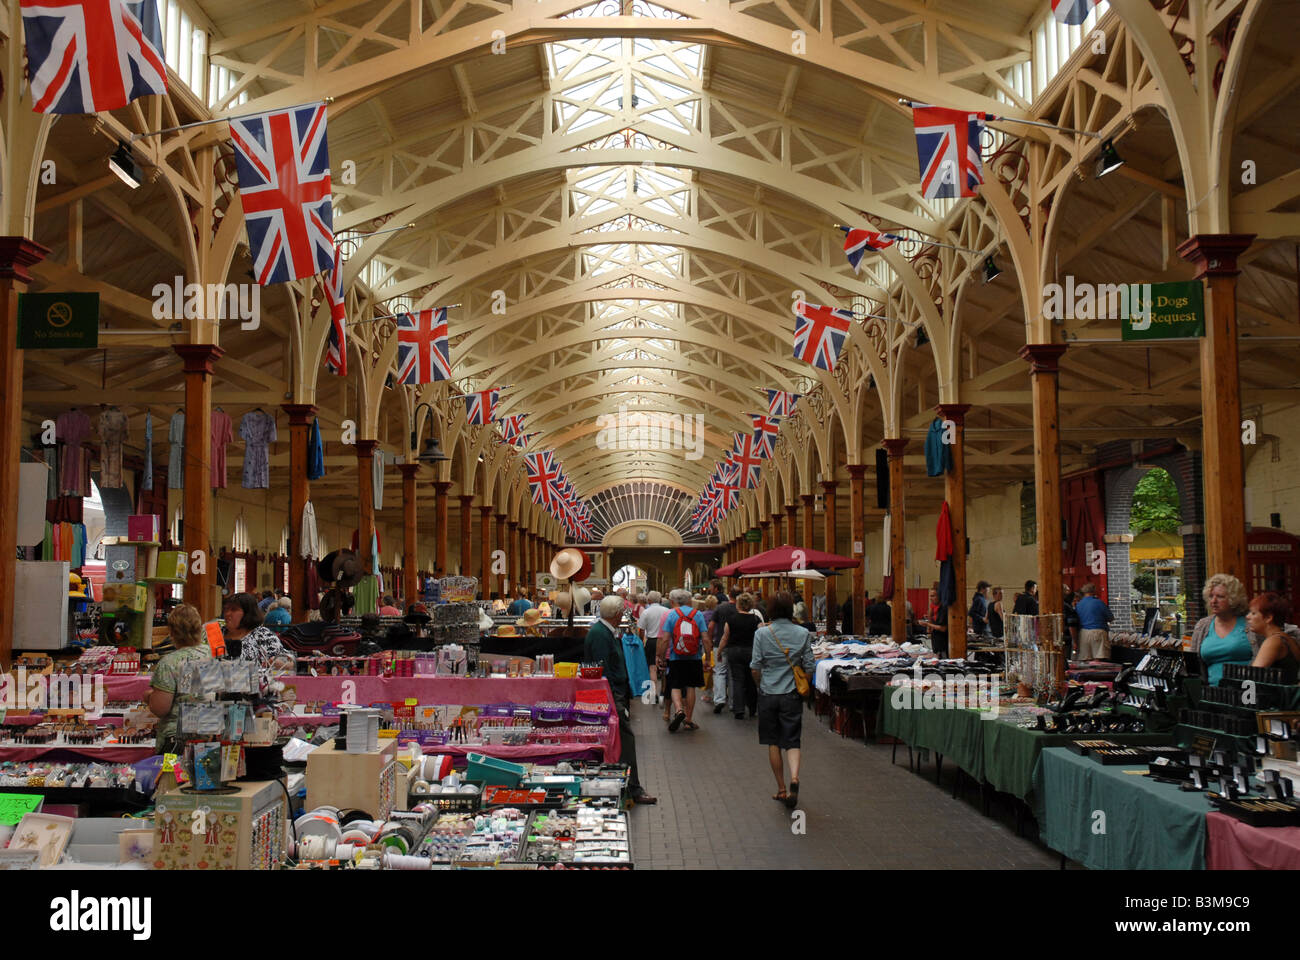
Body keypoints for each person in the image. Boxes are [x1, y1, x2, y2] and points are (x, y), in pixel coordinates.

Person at [584, 594, 656, 804]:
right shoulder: (600, 634)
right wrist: (616, 696)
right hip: (610, 694)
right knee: (626, 739)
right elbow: (602, 667)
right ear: (617, 614)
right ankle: (633, 787)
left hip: (613, 693)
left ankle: (628, 785)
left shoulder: (604, 632)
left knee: (624, 739)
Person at [750, 591, 814, 808]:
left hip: (768, 693)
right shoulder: (803, 633)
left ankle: (781, 788)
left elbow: (755, 666)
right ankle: (794, 777)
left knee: (773, 742)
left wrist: (760, 684)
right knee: (792, 740)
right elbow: (810, 666)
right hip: (792, 694)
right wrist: (803, 684)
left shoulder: (762, 634)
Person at [146, 604, 211, 753]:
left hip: (177, 741)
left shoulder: (169, 663)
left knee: (173, 777)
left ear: (172, 632)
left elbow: (160, 708)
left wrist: (149, 697)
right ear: (199, 629)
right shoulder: (212, 655)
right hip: (210, 736)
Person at [1192, 574, 1259, 685]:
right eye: (1211, 596)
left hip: (1248, 691)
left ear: (1234, 599)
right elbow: (1194, 665)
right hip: (1213, 693)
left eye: (1220, 596)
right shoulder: (1202, 625)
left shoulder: (1250, 622)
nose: (1213, 601)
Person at [659, 589, 711, 732]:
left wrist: (662, 658)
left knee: (675, 685)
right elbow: (705, 639)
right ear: (689, 600)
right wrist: (708, 658)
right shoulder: (698, 614)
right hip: (694, 657)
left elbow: (665, 639)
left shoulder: (672, 614)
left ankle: (678, 710)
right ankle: (688, 719)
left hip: (676, 657)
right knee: (690, 687)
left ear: (675, 601)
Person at [718, 592, 762, 720]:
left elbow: (725, 638)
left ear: (738, 605)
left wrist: (720, 651)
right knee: (751, 680)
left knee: (737, 680)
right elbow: (761, 636)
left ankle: (739, 709)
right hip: (751, 651)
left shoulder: (731, 619)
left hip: (734, 651)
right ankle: (753, 707)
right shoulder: (756, 619)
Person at [1249, 593, 1300, 682]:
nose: (1247, 617)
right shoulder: (1286, 637)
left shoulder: (1273, 641)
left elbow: (1252, 678)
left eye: (1253, 613)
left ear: (1268, 618)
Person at [222, 592, 283, 666]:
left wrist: (281, 663)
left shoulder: (263, 635)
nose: (227, 613)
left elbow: (287, 660)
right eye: (225, 609)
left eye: (234, 609)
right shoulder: (217, 633)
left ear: (247, 613)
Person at [637, 590, 671, 707]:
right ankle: (663, 692)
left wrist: (641, 640)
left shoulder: (646, 612)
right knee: (665, 667)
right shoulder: (667, 611)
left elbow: (641, 629)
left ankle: (654, 694)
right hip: (665, 641)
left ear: (649, 600)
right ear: (660, 600)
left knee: (652, 668)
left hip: (651, 641)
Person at [1075, 583, 1114, 659]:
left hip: (1083, 633)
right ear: (1094, 591)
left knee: (1085, 659)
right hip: (1099, 632)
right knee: (1099, 658)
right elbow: (1110, 618)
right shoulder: (1099, 603)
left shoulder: (1079, 604)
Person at [917, 584, 949, 656]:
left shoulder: (943, 609)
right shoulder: (934, 607)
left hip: (943, 643)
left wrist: (927, 624)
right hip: (936, 642)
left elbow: (943, 628)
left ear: (939, 596)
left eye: (933, 596)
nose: (930, 598)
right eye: (930, 596)